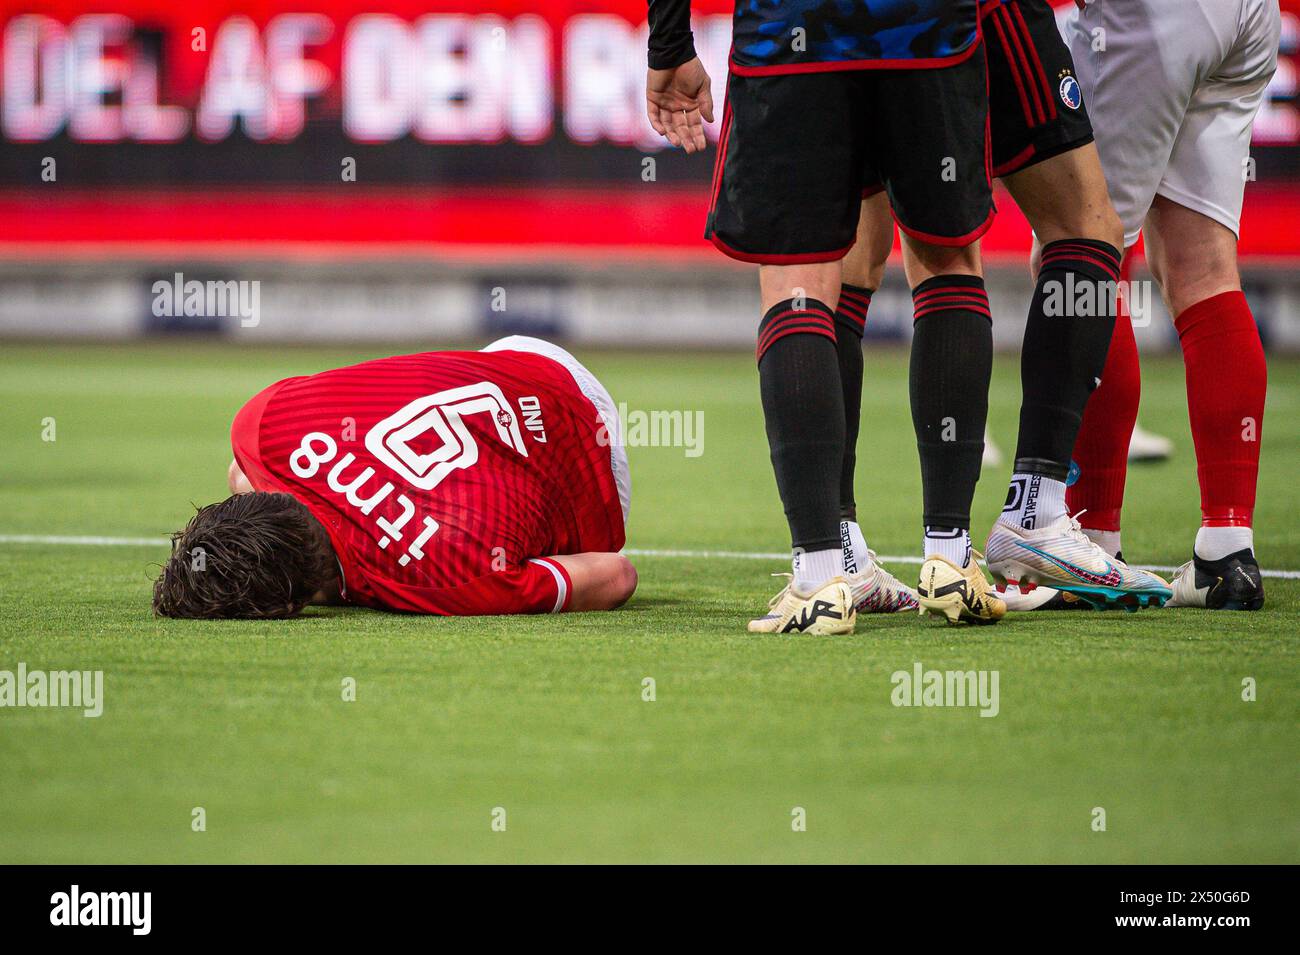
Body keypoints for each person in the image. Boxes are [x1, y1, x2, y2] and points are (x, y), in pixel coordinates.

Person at [647, 0, 1006, 630]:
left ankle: (819, 578)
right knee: (947, 261)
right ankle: (950, 559)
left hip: (793, 32)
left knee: (797, 280)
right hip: (927, 31)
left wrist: (670, 42)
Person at [839, 0, 1171, 611]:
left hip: (831, 25)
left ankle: (836, 554)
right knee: (1083, 227)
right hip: (972, 13)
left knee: (847, 262)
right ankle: (1023, 517)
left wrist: (670, 43)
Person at [153, 337, 636, 618]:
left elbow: (618, 575)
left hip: (600, 469)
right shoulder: (262, 421)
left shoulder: (442, 580)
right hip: (526, 357)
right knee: (242, 469)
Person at [1060, 0, 1279, 611]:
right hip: (1248, 15)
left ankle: (1089, 542)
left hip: (1151, 15)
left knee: (1084, 253)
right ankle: (1227, 550)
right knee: (1202, 265)